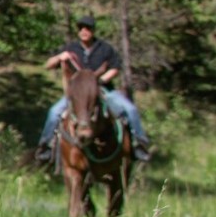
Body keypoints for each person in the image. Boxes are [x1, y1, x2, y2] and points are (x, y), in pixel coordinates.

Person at [39, 17, 152, 163]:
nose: (84, 32)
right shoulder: (71, 48)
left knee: (130, 110)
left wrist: (101, 80)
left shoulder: (104, 48)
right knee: (54, 112)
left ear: (93, 31)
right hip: (77, 94)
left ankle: (138, 145)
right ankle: (46, 147)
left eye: (88, 28)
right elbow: (48, 65)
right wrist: (60, 57)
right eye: (81, 29)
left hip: (103, 89)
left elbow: (115, 67)